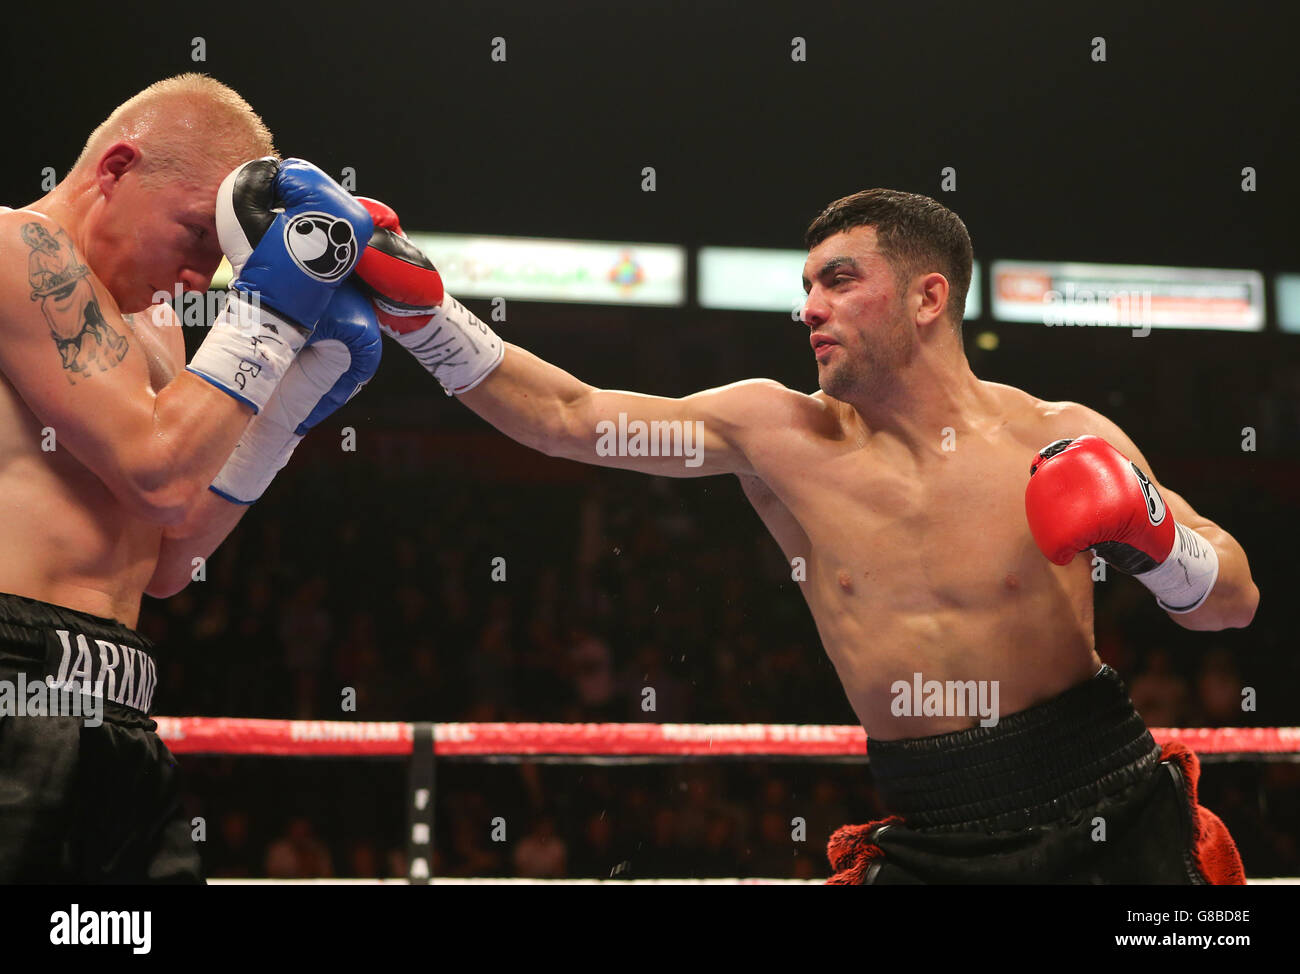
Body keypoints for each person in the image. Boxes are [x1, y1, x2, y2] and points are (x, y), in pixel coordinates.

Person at [356, 188, 1259, 883]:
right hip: (932, 830)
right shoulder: (776, 434)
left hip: (1110, 804)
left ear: (927, 296)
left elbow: (1232, 601)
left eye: (838, 280)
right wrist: (423, 316)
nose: (809, 308)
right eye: (805, 286)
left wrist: (1151, 536)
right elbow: (568, 417)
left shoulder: (1057, 432)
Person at [0, 74, 378, 882]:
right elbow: (156, 472)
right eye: (192, 237)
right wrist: (271, 316)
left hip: (120, 704)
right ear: (116, 168)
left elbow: (172, 551)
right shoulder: (14, 251)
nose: (202, 279)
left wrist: (286, 404)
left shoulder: (157, 320)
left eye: (224, 259)